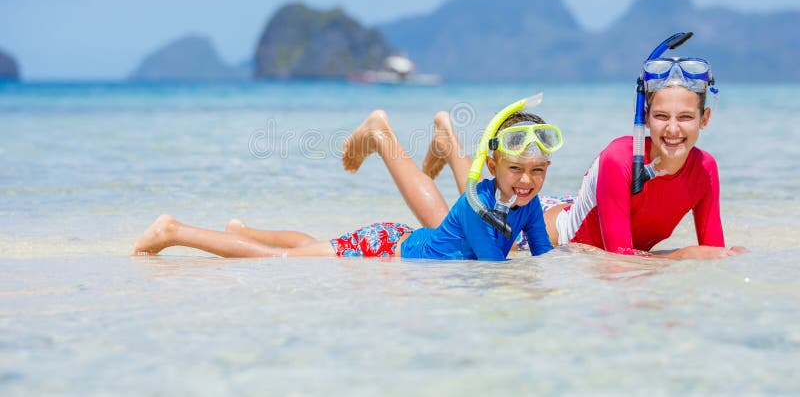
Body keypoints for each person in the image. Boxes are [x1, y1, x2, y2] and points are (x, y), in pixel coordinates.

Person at [367, 54, 745, 260]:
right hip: (549, 236)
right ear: (645, 117)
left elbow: (712, 253)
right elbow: (619, 259)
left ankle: (449, 142)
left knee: (484, 195)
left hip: (562, 206)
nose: (673, 129)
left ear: (704, 118)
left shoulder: (705, 170)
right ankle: (383, 136)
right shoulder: (619, 159)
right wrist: (680, 257)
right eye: (661, 116)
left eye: (686, 117)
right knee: (452, 231)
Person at [131, 109, 559, 260]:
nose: (526, 181)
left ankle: (242, 231)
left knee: (308, 248)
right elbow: (496, 273)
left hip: (397, 242)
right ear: (492, 165)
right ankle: (174, 230)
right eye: (516, 169)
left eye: (537, 171)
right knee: (272, 261)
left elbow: (541, 256)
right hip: (381, 249)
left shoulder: (528, 203)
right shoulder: (476, 204)